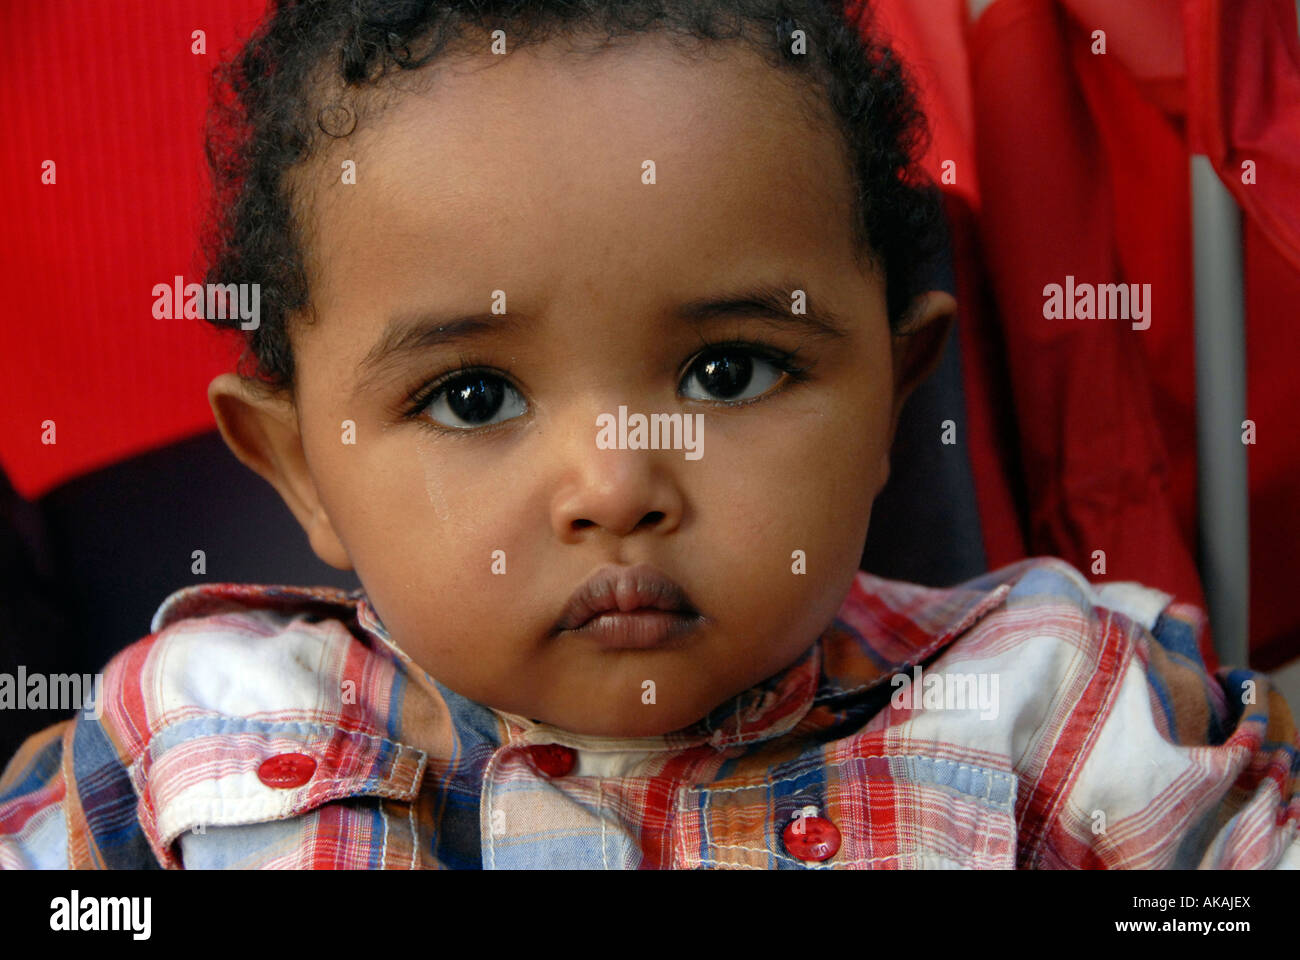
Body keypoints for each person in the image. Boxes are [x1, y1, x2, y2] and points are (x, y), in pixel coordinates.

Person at [1, 0, 1295, 869]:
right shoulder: (170, 758)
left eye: (728, 370)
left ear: (895, 394)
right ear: (298, 468)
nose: (615, 486)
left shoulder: (1059, 715)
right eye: (473, 398)